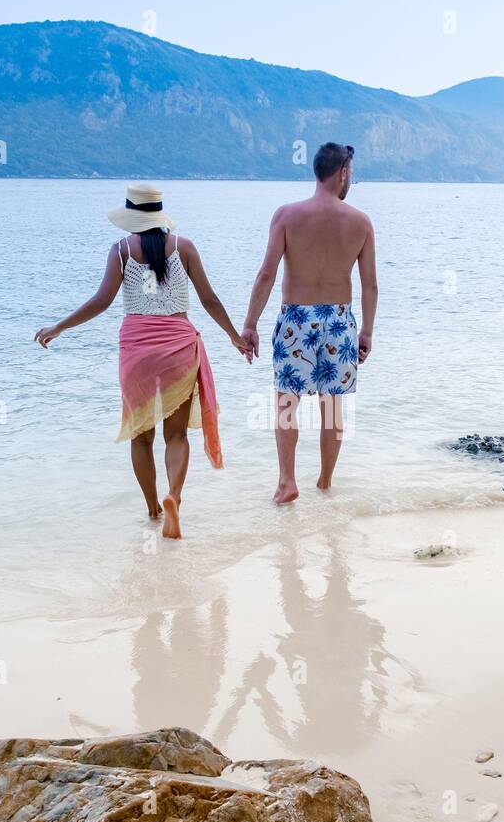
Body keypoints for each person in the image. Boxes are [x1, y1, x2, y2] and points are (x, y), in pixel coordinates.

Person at [34, 184, 251, 538]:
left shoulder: (121, 251)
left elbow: (101, 301)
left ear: (132, 217)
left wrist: (59, 326)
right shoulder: (185, 248)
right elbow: (209, 299)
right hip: (179, 347)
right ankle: (173, 499)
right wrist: (234, 336)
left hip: (136, 351)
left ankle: (152, 511)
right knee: (177, 434)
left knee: (141, 436)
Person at [241, 143, 377, 504]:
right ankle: (325, 484)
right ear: (343, 172)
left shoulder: (287, 215)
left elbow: (267, 273)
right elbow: (370, 285)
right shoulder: (360, 222)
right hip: (339, 322)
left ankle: (287, 482)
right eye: (352, 173)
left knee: (287, 405)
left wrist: (249, 324)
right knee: (332, 408)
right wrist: (366, 331)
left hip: (295, 319)